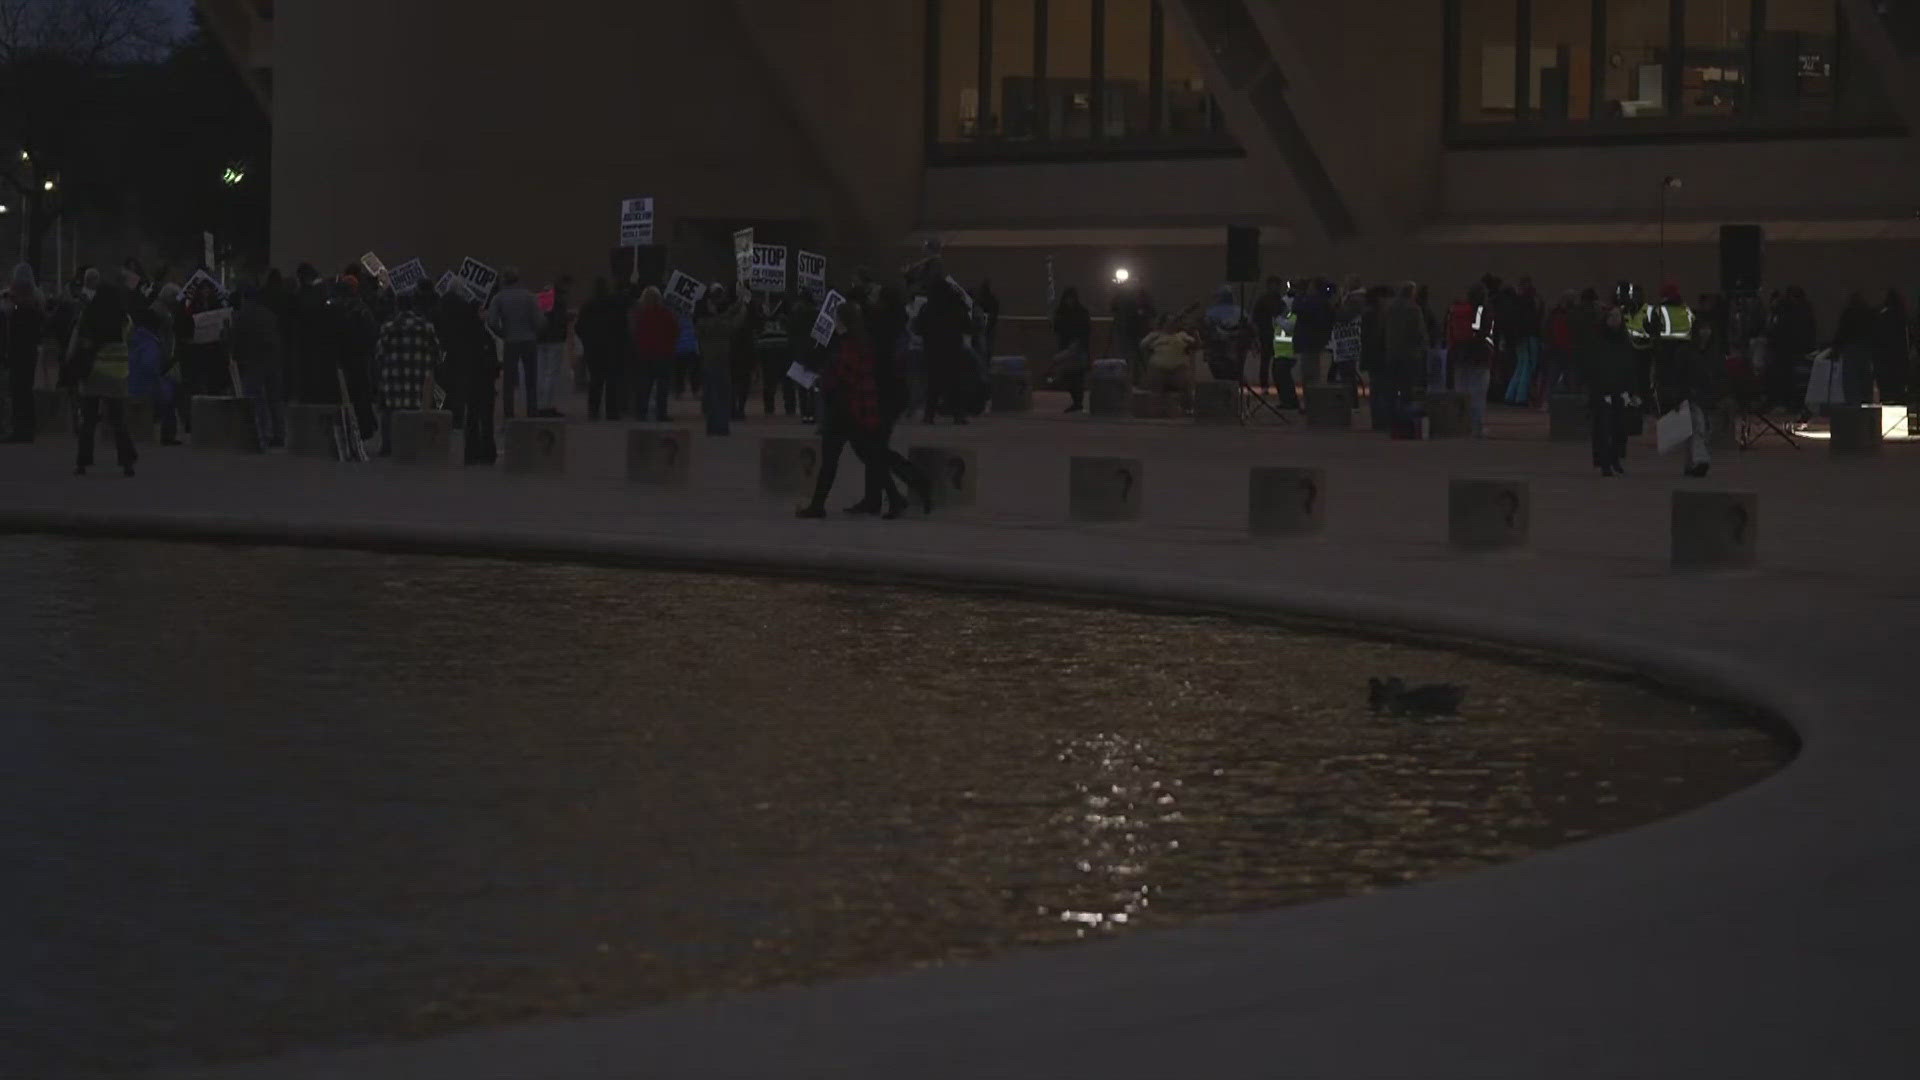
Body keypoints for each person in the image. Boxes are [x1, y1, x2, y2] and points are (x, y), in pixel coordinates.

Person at [797, 300, 908, 519]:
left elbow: (845, 377)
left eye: (837, 318)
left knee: (839, 459)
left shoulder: (849, 345)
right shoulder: (858, 341)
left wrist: (825, 376)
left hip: (846, 410)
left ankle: (818, 505)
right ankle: (893, 499)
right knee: (867, 457)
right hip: (855, 409)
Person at [61, 267, 137, 477]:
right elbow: (130, 337)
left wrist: (69, 365)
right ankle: (127, 462)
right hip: (118, 375)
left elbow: (76, 342)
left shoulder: (88, 316)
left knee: (88, 421)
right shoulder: (124, 320)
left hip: (93, 374)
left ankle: (82, 462)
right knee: (118, 421)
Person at [372, 286, 443, 456]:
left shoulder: (388, 327)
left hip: (393, 381)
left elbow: (379, 354)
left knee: (389, 413)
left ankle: (388, 447)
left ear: (396, 306)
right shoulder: (426, 327)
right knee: (417, 412)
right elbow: (437, 355)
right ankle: (415, 444)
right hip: (418, 380)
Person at [438, 289, 496, 464]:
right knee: (486, 418)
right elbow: (491, 359)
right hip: (484, 381)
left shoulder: (462, 334)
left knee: (471, 416)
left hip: (469, 381)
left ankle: (471, 452)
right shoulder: (483, 335)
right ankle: (487, 452)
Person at [230, 285, 287, 448]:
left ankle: (261, 433)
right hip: (274, 358)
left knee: (255, 398)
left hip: (254, 359)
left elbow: (237, 339)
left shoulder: (242, 315)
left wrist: (235, 356)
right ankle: (279, 434)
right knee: (275, 398)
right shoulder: (269, 314)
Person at [1585, 300, 1635, 477]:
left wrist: (1630, 389)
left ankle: (1615, 459)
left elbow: (1629, 365)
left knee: (1619, 428)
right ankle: (1606, 462)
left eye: (1617, 316)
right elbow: (1592, 365)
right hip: (1603, 391)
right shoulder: (1598, 340)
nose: (1615, 320)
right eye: (1612, 316)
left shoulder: (1624, 340)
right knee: (1604, 428)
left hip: (1620, 390)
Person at [486, 268, 543, 418]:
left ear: (504, 281)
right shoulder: (530, 297)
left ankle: (509, 413)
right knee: (531, 379)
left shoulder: (499, 298)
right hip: (529, 340)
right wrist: (535, 332)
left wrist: (502, 333)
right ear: (518, 280)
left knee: (509, 382)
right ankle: (532, 411)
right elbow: (539, 321)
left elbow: (491, 321)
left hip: (511, 341)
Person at [915, 275, 973, 424]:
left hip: (933, 350)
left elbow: (918, 328)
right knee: (955, 384)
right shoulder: (956, 306)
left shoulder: (928, 307)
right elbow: (968, 326)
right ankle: (958, 415)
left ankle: (929, 415)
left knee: (933, 384)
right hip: (953, 349)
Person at [696, 285, 749, 435]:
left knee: (711, 395)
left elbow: (726, 314)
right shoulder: (720, 324)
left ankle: (712, 426)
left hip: (707, 361)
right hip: (721, 361)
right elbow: (734, 322)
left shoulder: (702, 323)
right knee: (722, 396)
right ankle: (721, 426)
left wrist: (738, 304)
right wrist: (743, 307)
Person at [576, 277, 629, 421]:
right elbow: (623, 327)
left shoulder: (588, 306)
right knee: (612, 381)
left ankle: (593, 411)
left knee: (595, 381)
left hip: (594, 348)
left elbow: (579, 327)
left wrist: (587, 341)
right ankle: (612, 412)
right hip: (613, 348)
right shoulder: (616, 305)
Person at [4, 263, 46, 442]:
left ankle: (20, 429)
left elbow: (13, 324)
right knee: (25, 391)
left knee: (18, 390)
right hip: (29, 350)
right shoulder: (36, 301)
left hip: (18, 350)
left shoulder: (19, 304)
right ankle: (27, 429)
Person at [1381, 281, 1430, 430]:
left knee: (1391, 387)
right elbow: (1420, 333)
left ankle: (1388, 419)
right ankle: (1404, 421)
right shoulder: (1414, 309)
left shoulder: (1389, 308)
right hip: (1409, 354)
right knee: (1407, 389)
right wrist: (1423, 348)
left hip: (1391, 352)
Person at [630, 285, 680, 423]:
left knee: (644, 386)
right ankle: (661, 413)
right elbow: (675, 331)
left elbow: (634, 333)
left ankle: (641, 413)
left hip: (645, 354)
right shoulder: (666, 313)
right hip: (663, 354)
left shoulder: (639, 314)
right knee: (662, 387)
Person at [1646, 282, 1694, 414]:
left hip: (1665, 356)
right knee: (1682, 396)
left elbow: (1652, 332)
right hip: (1684, 355)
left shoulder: (1658, 310)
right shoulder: (1686, 310)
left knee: (1665, 396)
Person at [1455, 283, 1496, 437]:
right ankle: (1476, 426)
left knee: (1462, 391)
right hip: (1479, 355)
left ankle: (1460, 424)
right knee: (1478, 392)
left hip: (1461, 354)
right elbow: (1480, 332)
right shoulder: (1482, 310)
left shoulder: (1459, 309)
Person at [535, 275, 572, 417]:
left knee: (542, 372)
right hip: (554, 340)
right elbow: (559, 320)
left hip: (541, 339)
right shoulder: (559, 300)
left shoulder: (541, 299)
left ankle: (540, 404)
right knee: (552, 373)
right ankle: (547, 406)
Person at [1502, 276, 1544, 405]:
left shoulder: (1514, 301)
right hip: (1529, 335)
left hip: (1517, 337)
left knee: (1521, 365)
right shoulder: (1531, 299)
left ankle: (1511, 394)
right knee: (1527, 366)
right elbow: (1536, 318)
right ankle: (1521, 396)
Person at [754, 290, 795, 417]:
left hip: (773, 347)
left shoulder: (782, 307)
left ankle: (778, 406)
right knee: (776, 380)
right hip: (777, 346)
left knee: (776, 380)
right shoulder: (762, 307)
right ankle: (782, 406)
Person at [1052, 288, 1093, 412]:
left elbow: (1086, 330)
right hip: (1067, 347)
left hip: (1078, 347)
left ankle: (1078, 402)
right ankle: (1076, 401)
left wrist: (1077, 342)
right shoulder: (1062, 312)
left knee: (1077, 376)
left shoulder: (1080, 312)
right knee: (1068, 376)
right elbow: (1057, 329)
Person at [1833, 291, 1876, 407]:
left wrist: (1836, 349)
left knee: (1851, 381)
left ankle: (1853, 406)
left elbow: (1842, 332)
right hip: (1864, 349)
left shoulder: (1848, 314)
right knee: (1865, 379)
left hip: (1850, 349)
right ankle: (1866, 403)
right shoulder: (1868, 314)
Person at [1139, 314, 1197, 402]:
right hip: (1158, 370)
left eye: (1174, 322)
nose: (1173, 324)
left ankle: (1188, 408)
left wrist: (1195, 335)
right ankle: (1156, 409)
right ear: (1164, 323)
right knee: (1155, 393)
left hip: (1178, 370)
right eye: (1170, 322)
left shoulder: (1182, 335)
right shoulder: (1155, 335)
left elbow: (1195, 343)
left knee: (1187, 385)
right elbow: (1142, 346)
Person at [1291, 278, 1335, 388]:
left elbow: (1296, 309)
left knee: (1309, 372)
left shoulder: (1312, 302)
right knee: (1314, 370)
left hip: (1309, 340)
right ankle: (1314, 395)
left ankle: (1312, 397)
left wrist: (1299, 294)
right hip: (1318, 340)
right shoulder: (1325, 302)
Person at [1202, 285, 1250, 383]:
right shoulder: (1239, 311)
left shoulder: (1213, 312)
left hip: (1232, 348)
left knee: (1229, 375)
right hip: (1222, 349)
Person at [1250, 276, 1289, 392]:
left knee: (1276, 363)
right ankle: (1265, 386)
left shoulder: (1280, 301)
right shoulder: (1264, 301)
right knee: (1266, 361)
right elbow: (1255, 318)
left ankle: (1277, 385)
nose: (1276, 288)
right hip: (1266, 334)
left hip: (1277, 334)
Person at [1872, 290, 1908, 406]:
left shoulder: (1880, 317)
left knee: (1886, 392)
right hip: (1897, 359)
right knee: (1897, 392)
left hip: (1884, 360)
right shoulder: (1900, 317)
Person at [977, 278, 1001, 361]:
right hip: (987, 328)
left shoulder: (981, 300)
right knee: (986, 349)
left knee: (984, 349)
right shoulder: (992, 301)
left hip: (985, 328)